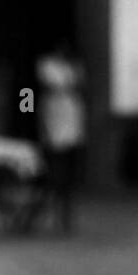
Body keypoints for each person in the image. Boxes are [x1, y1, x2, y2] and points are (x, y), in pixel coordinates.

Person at [34, 38, 87, 233]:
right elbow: (30, 95)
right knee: (54, 170)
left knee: (66, 174)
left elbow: (78, 84)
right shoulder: (47, 67)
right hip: (54, 120)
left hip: (70, 120)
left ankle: (63, 216)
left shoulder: (73, 70)